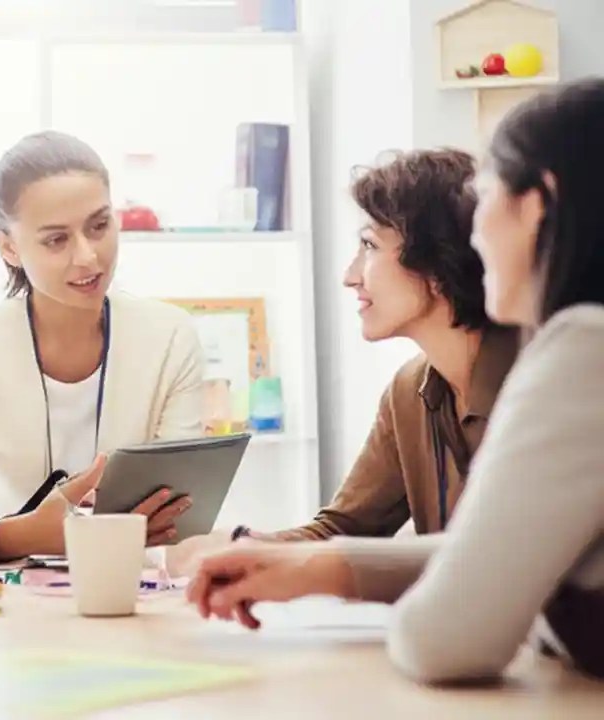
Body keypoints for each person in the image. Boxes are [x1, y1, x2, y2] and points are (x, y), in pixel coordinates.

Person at [186, 78, 604, 684]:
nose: (475, 228)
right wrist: (315, 564)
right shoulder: (424, 385)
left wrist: (327, 569)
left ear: (538, 203)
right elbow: (503, 559)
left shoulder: (580, 353)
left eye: (485, 197)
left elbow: (447, 637)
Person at [167, 148, 520, 574]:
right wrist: (240, 548)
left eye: (369, 245)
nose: (350, 275)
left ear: (438, 263)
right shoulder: (410, 392)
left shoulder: (539, 384)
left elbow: (506, 562)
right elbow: (345, 530)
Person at [0, 131, 206, 569]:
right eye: (56, 240)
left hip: (135, 594)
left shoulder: (169, 336)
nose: (88, 257)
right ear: (9, 247)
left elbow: (180, 524)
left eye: (99, 226)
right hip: (12, 604)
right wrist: (32, 535)